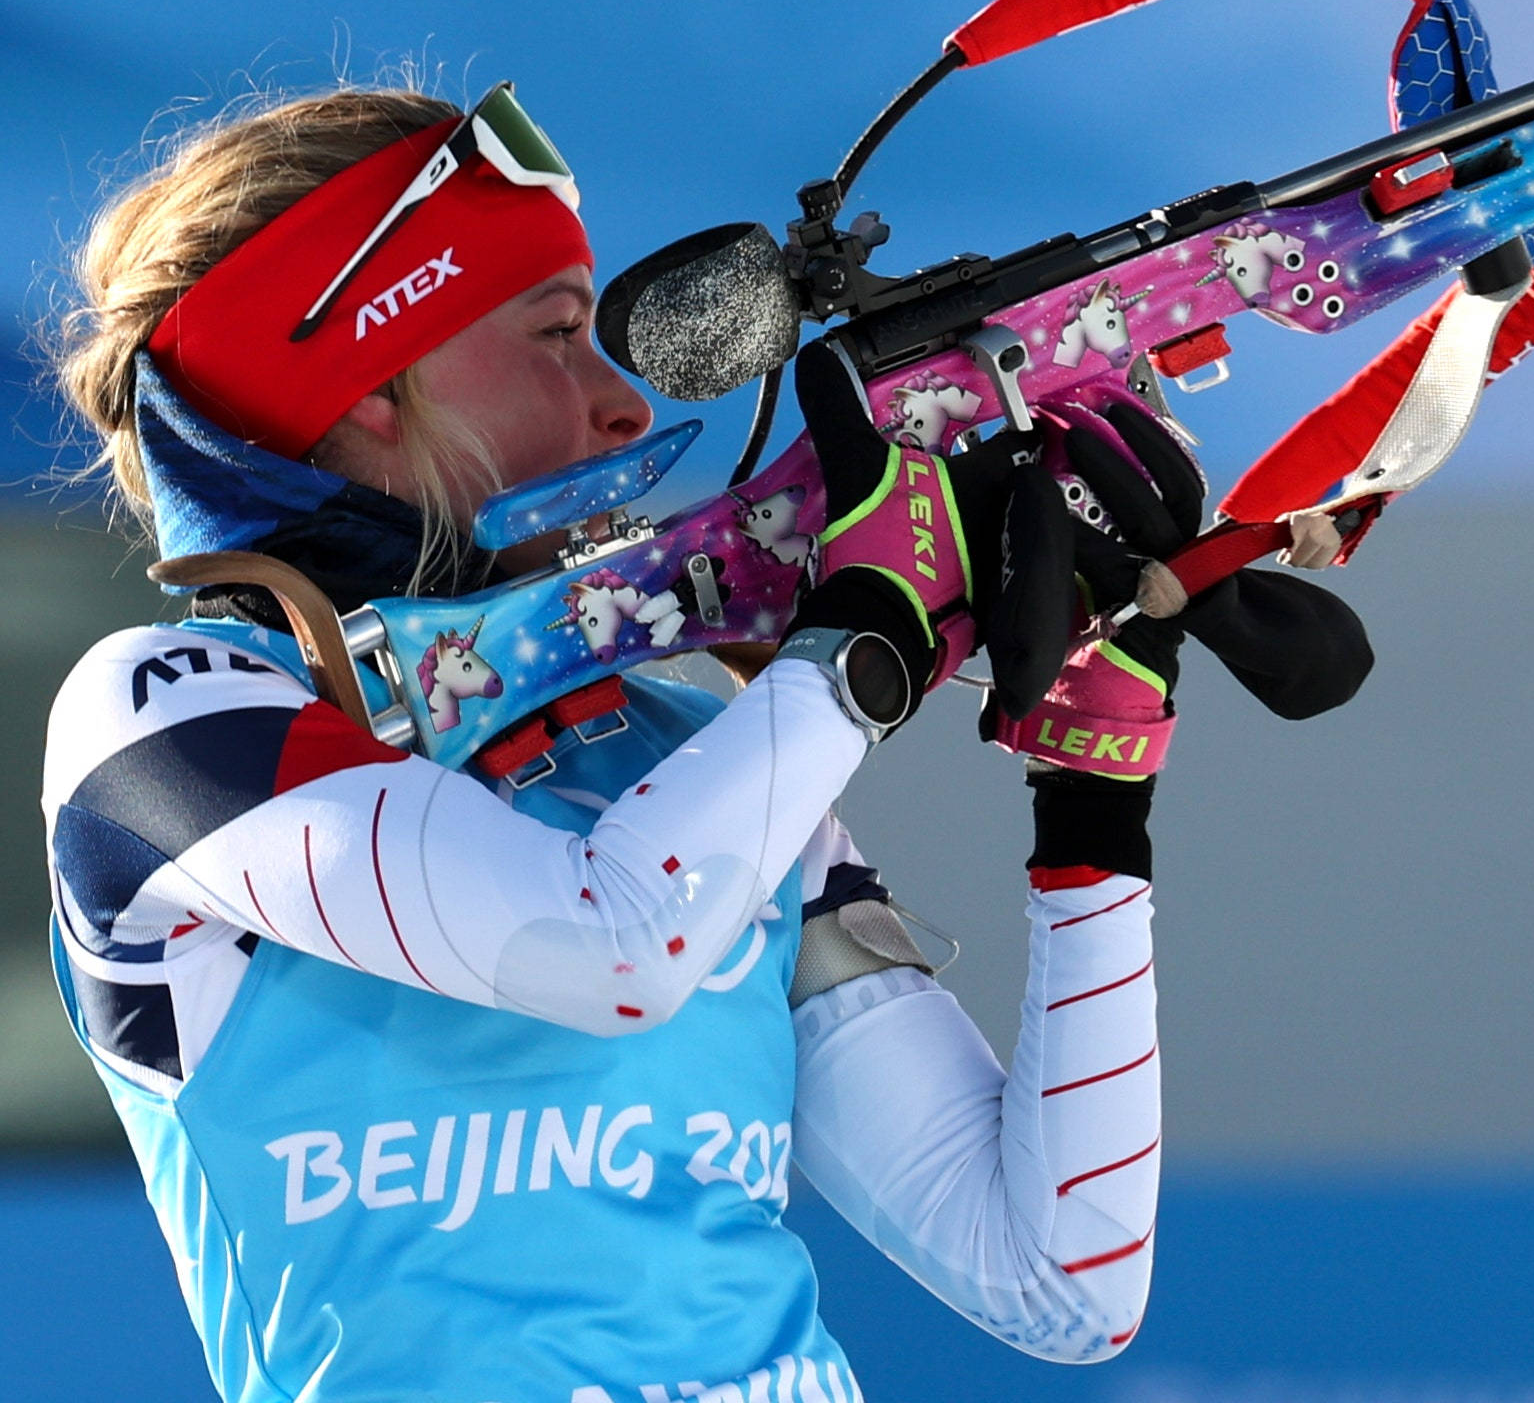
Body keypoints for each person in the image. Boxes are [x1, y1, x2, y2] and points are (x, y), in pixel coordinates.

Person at [41, 84, 1372, 1403]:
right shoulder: (163, 716)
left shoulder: (688, 749)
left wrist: (1091, 794)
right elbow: (607, 949)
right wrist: (860, 645)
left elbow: (1060, 1281)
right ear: (372, 383)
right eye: (558, 332)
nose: (623, 407)